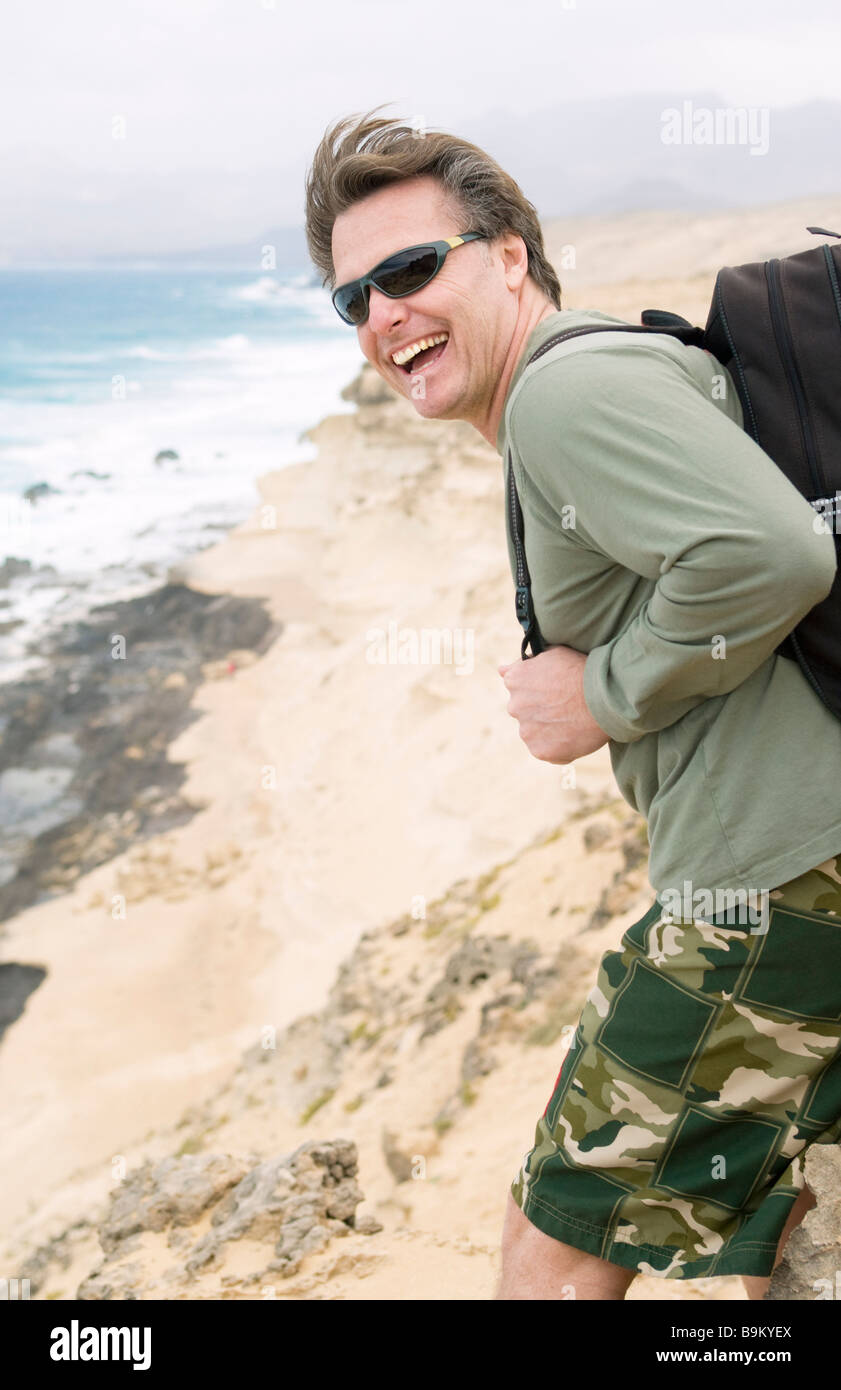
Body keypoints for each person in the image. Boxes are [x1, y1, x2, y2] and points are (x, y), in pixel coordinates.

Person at [305, 110, 841, 1300]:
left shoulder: (563, 395)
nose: (385, 313)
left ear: (508, 258)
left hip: (779, 883)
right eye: (355, 300)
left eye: (410, 269)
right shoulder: (605, 368)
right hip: (800, 875)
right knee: (769, 1240)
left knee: (552, 1243)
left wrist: (598, 693)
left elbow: (775, 556)